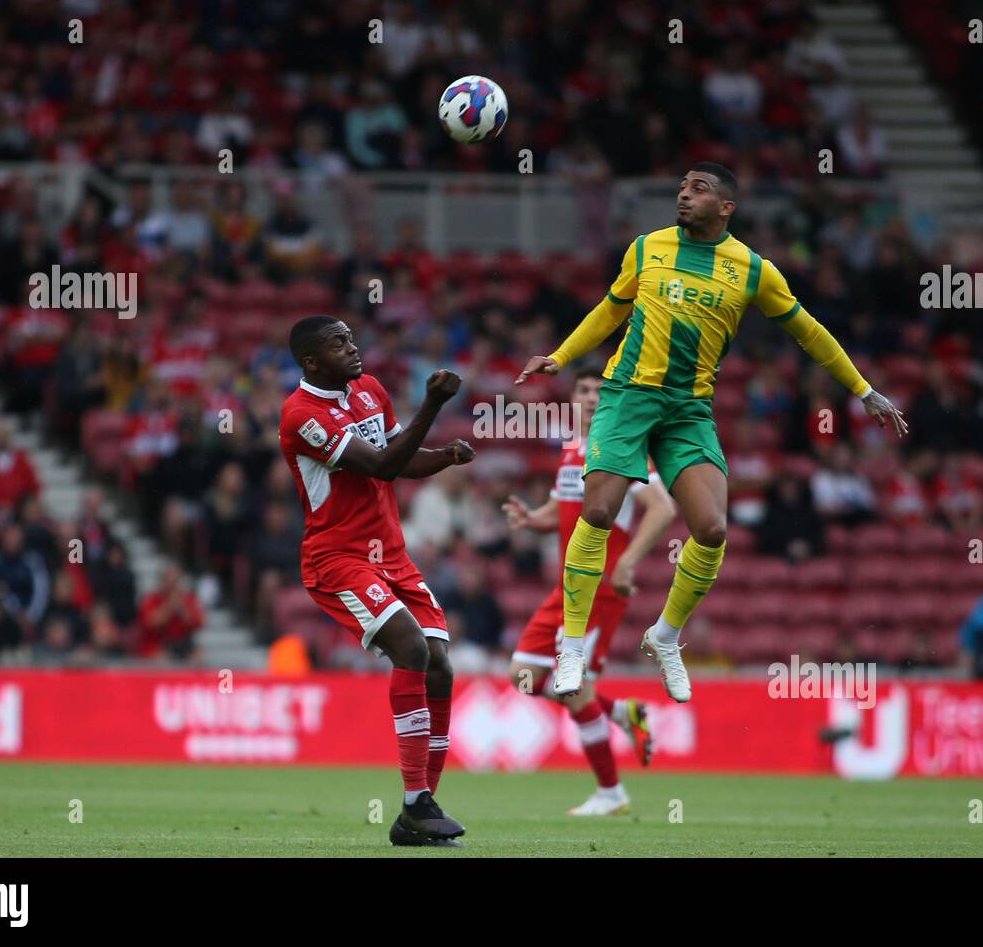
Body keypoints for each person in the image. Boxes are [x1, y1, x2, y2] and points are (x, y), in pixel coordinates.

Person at [517, 163, 906, 700]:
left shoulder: (752, 270)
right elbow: (611, 311)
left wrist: (864, 391)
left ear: (726, 206)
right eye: (681, 186)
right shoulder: (646, 248)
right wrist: (561, 357)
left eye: (698, 189)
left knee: (713, 529)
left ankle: (665, 636)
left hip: (688, 410)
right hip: (628, 395)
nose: (684, 194)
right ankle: (572, 648)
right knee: (599, 512)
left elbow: (810, 333)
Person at [279, 315, 474, 847]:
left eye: (351, 338)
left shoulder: (370, 391)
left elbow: (403, 461)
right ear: (312, 361)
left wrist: (443, 458)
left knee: (441, 667)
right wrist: (433, 405)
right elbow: (383, 466)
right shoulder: (302, 416)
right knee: (411, 648)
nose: (353, 348)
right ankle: (416, 802)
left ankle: (421, 811)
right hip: (337, 558)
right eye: (337, 344)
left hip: (391, 555)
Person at [502, 367, 676, 815]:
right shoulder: (570, 449)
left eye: (602, 391)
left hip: (597, 588)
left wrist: (627, 562)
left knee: (570, 685)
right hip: (567, 586)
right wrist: (532, 518)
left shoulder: (622, 447)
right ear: (572, 399)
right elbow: (561, 509)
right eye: (583, 390)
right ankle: (621, 714)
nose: (592, 398)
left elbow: (661, 508)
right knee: (524, 674)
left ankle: (611, 793)